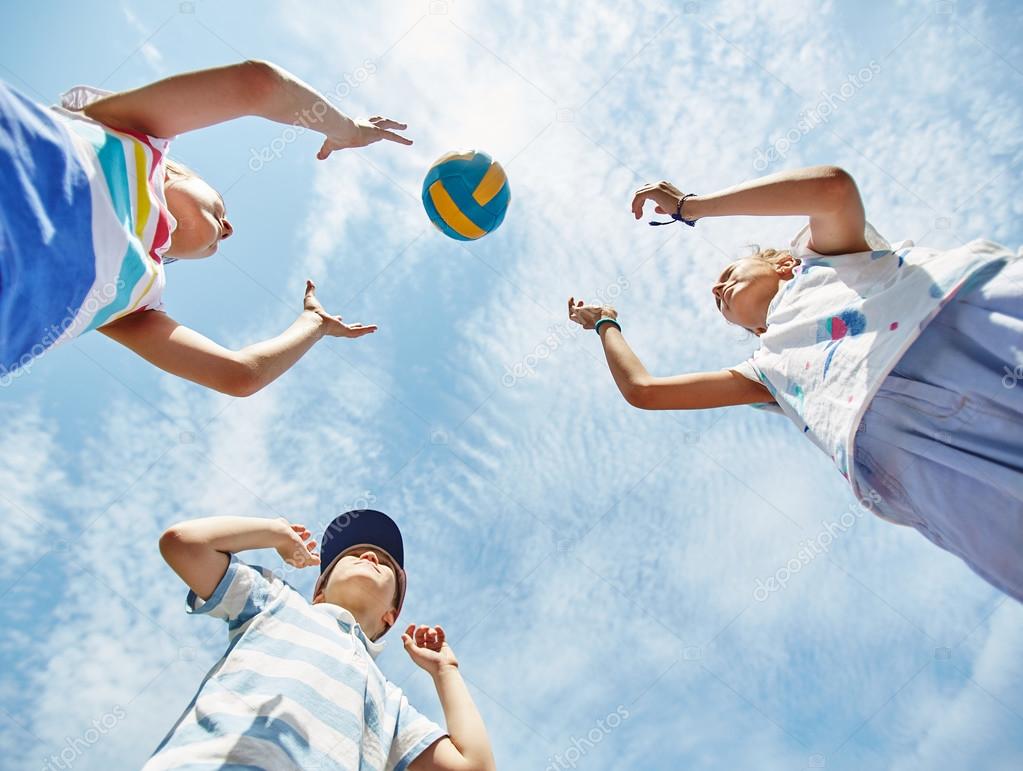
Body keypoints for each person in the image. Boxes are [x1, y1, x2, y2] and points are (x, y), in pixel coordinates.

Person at [568, 165, 1023, 601]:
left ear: (784, 263)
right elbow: (645, 391)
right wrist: (606, 323)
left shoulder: (824, 261)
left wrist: (692, 205)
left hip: (963, 330)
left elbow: (833, 189)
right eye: (718, 301)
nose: (717, 290)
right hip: (925, 462)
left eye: (728, 274)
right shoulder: (769, 370)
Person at [0, 60, 411, 394]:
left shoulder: (138, 304)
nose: (228, 229)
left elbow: (240, 375)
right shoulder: (133, 134)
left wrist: (314, 324)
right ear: (180, 170)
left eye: (216, 245)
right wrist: (349, 131)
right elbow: (258, 84)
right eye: (222, 205)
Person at [147, 509, 496, 770]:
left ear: (390, 616)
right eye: (353, 555)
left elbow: (475, 767)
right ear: (319, 591)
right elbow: (183, 544)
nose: (370, 556)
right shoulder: (276, 601)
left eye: (384, 562)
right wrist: (276, 533)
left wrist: (445, 671)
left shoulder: (389, 703)